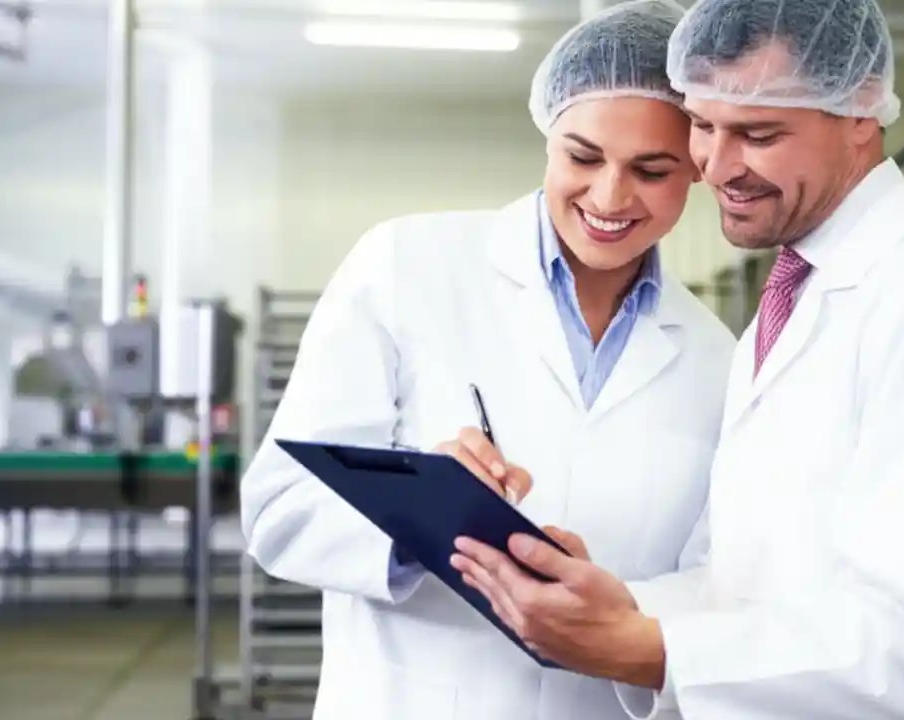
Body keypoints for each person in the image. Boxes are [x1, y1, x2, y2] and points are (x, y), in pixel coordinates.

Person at [448, 0, 904, 718]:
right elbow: (739, 580)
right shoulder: (792, 304)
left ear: (861, 113)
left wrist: (634, 644)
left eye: (758, 133)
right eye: (704, 127)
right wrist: (624, 606)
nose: (716, 166)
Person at [240, 2, 735, 718]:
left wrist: (623, 611)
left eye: (652, 170)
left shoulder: (719, 358)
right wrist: (422, 516)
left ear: (697, 167)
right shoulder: (404, 266)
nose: (609, 195)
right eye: (583, 156)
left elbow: (716, 577)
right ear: (548, 137)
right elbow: (279, 508)